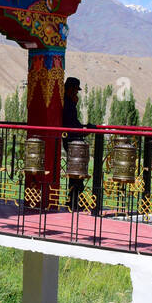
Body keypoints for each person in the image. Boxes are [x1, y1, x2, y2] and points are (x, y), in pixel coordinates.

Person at [62, 77, 86, 210]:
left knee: (76, 171)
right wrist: (83, 131)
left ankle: (74, 199)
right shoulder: (67, 103)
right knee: (76, 171)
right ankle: (73, 200)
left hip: (72, 138)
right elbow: (70, 121)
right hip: (71, 140)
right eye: (75, 90)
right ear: (70, 89)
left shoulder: (69, 102)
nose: (76, 93)